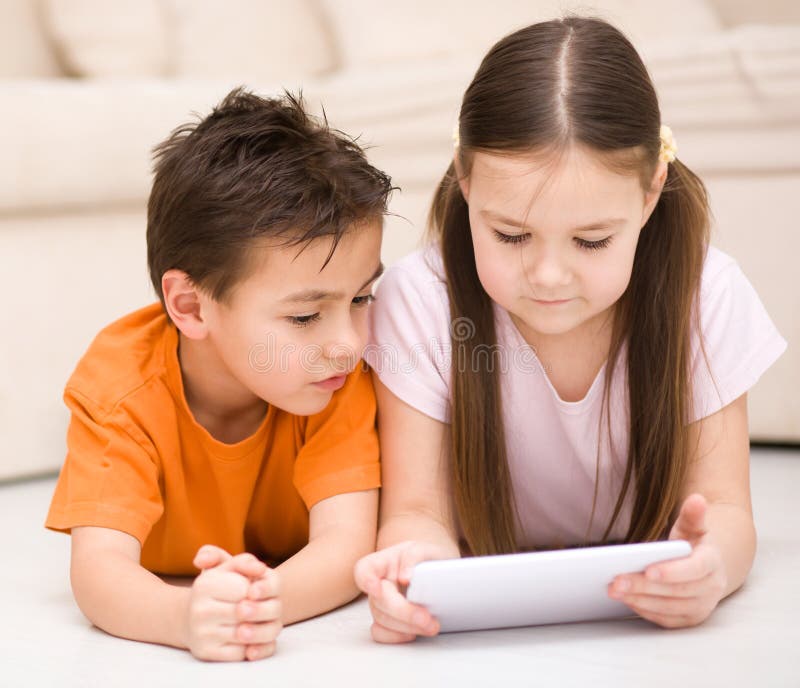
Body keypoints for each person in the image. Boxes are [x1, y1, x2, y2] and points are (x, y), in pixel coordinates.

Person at [355, 16, 787, 642]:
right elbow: (417, 512)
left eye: (591, 241)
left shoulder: (707, 294)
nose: (549, 276)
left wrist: (711, 568)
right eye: (510, 235)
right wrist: (416, 568)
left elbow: (724, 508)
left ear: (650, 193)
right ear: (465, 179)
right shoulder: (419, 300)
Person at [46, 88, 393, 661]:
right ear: (190, 307)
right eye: (305, 316)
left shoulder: (333, 375)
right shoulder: (119, 385)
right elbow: (99, 573)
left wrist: (259, 602)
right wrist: (183, 616)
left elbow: (346, 545)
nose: (348, 345)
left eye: (361, 298)